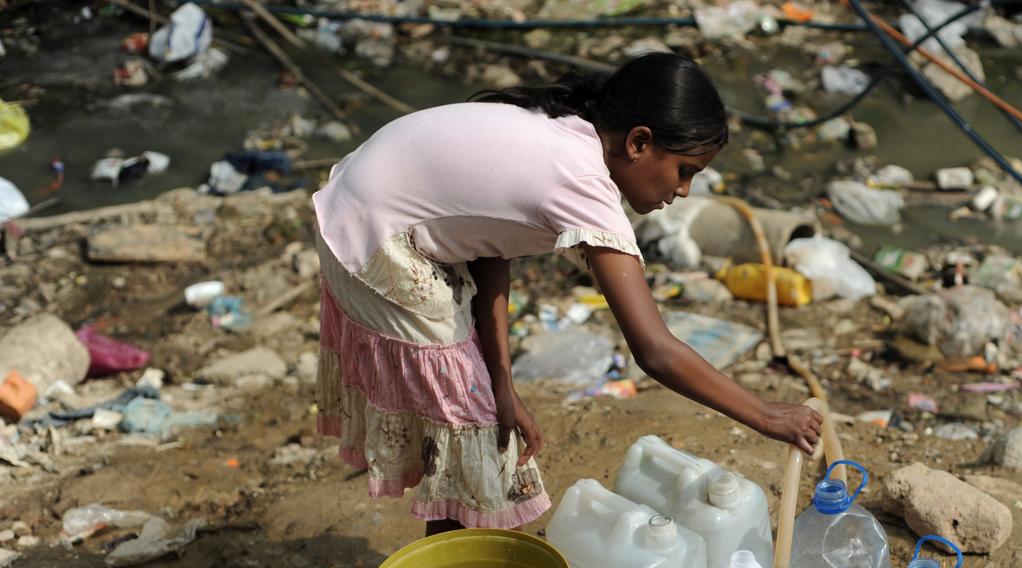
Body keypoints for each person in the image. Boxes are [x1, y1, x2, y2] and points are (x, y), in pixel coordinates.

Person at [312, 53, 822, 536]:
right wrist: (764, 414)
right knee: (477, 444)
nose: (684, 190)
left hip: (361, 196)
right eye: (684, 170)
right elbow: (655, 350)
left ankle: (457, 559)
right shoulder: (583, 182)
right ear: (639, 143)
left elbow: (488, 243)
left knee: (481, 423)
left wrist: (501, 381)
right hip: (375, 236)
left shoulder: (571, 129)